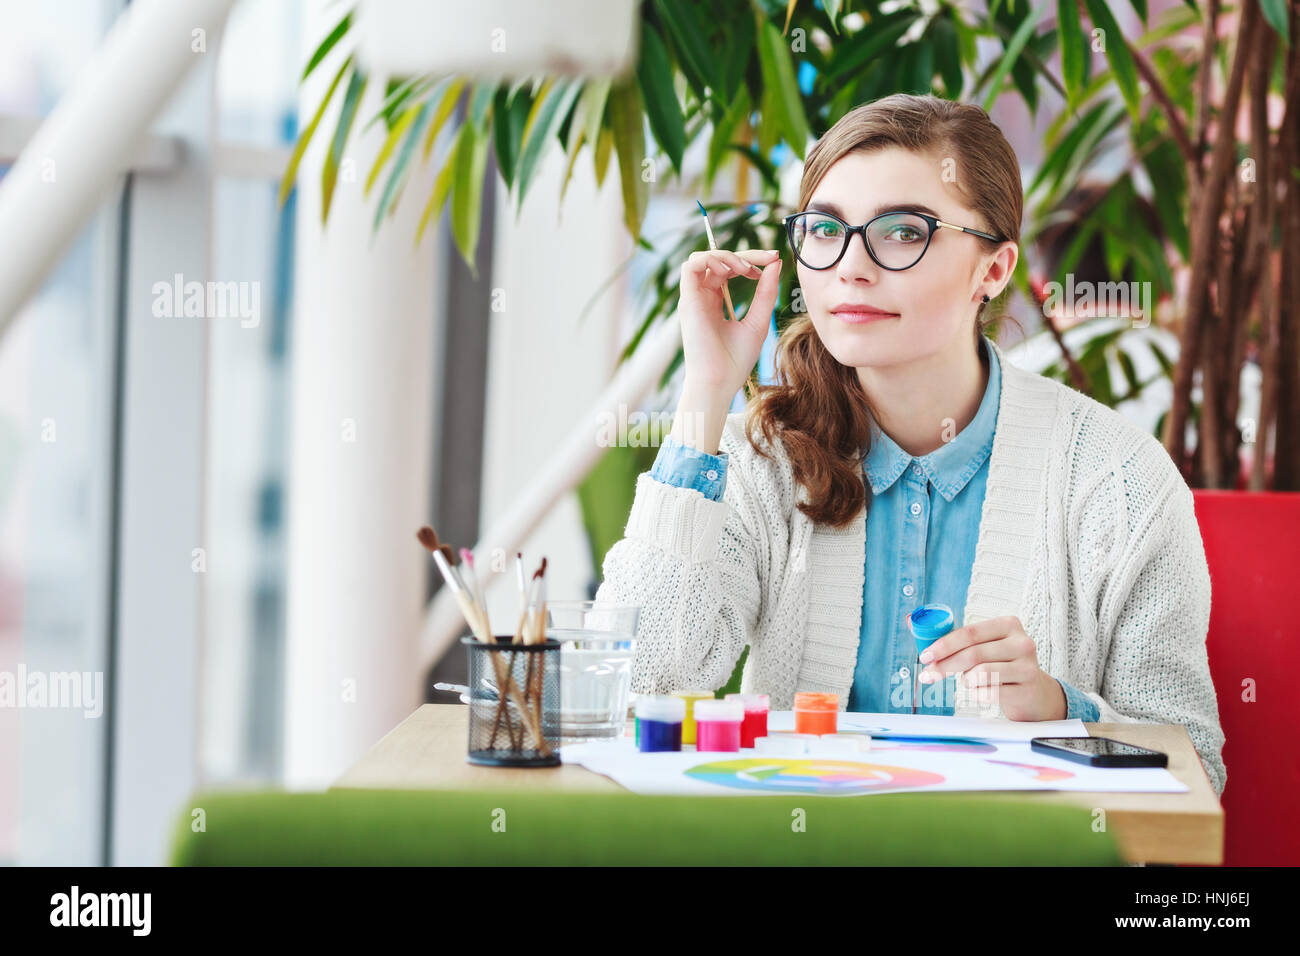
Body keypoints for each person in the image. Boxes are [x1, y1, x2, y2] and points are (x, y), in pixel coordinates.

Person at [593, 93, 1225, 796]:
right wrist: (706, 392)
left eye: (902, 232)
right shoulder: (762, 456)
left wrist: (1059, 709)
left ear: (993, 269)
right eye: (826, 230)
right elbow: (633, 691)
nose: (850, 268)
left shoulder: (1119, 477)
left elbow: (1195, 768)